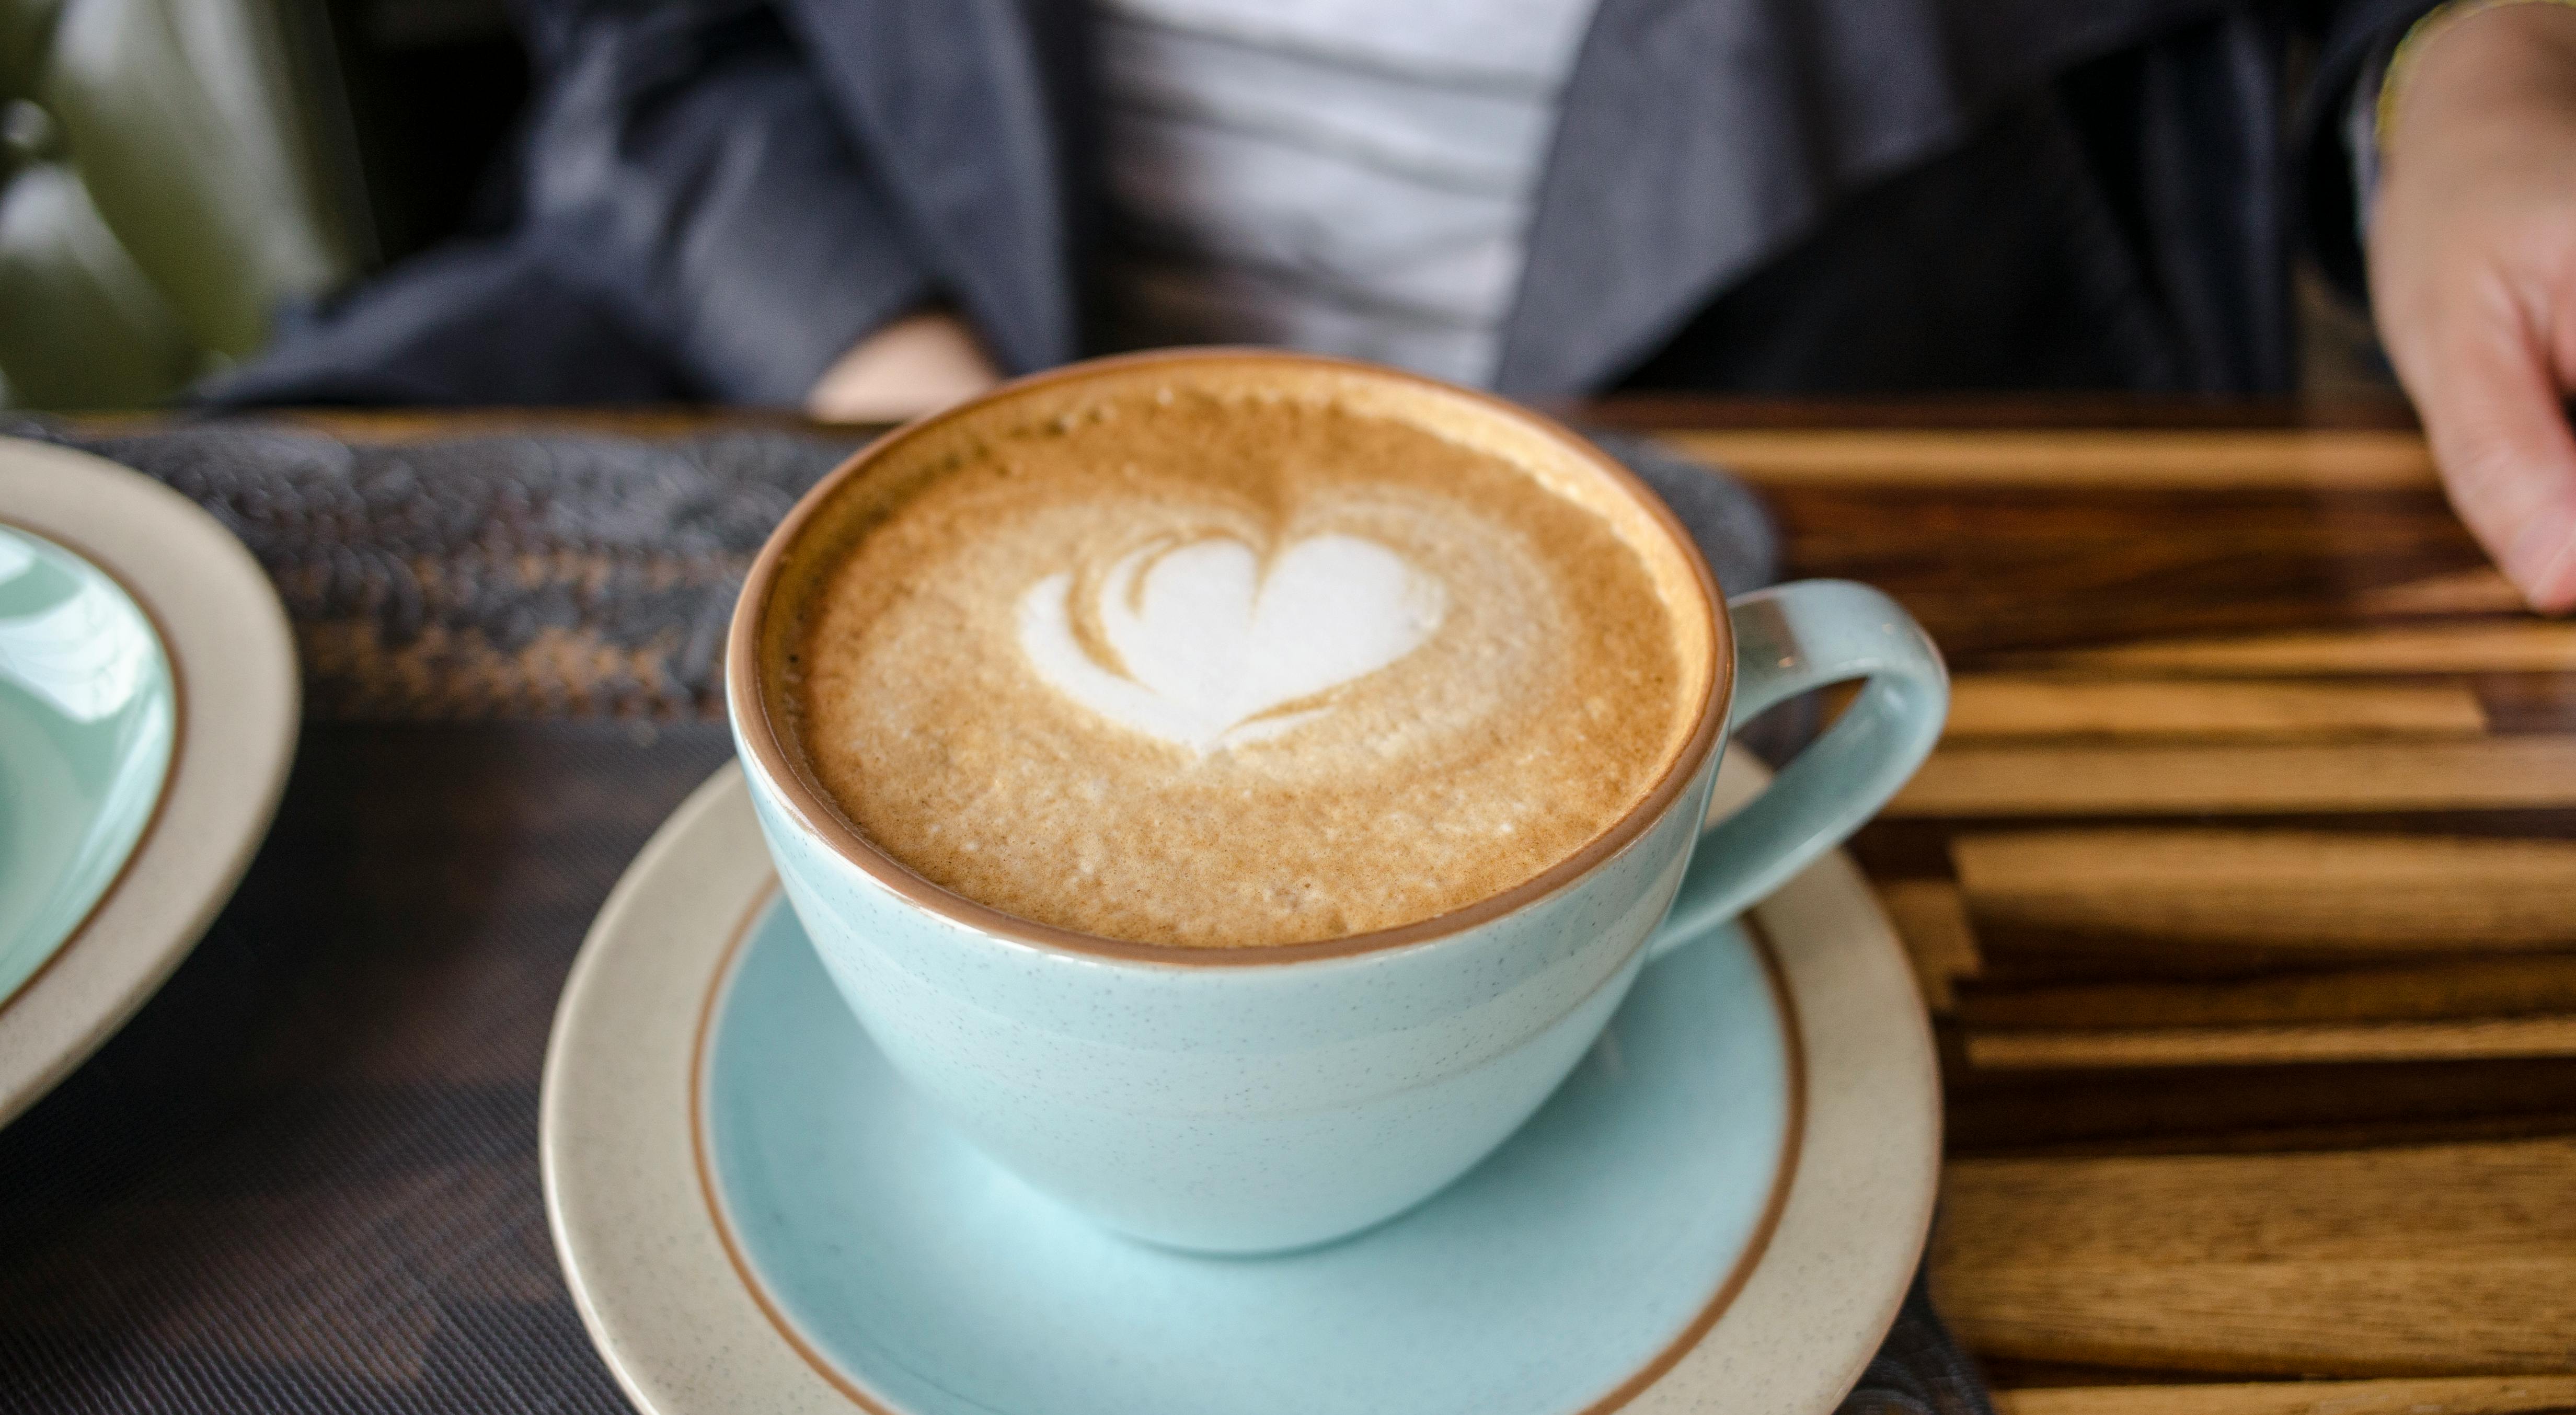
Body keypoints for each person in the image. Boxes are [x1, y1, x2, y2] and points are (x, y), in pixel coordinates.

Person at [220, 0, 2576, 611]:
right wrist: (937, 413)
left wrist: (2468, 65)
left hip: (1880, 411)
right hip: (835, 332)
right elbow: (653, 57)